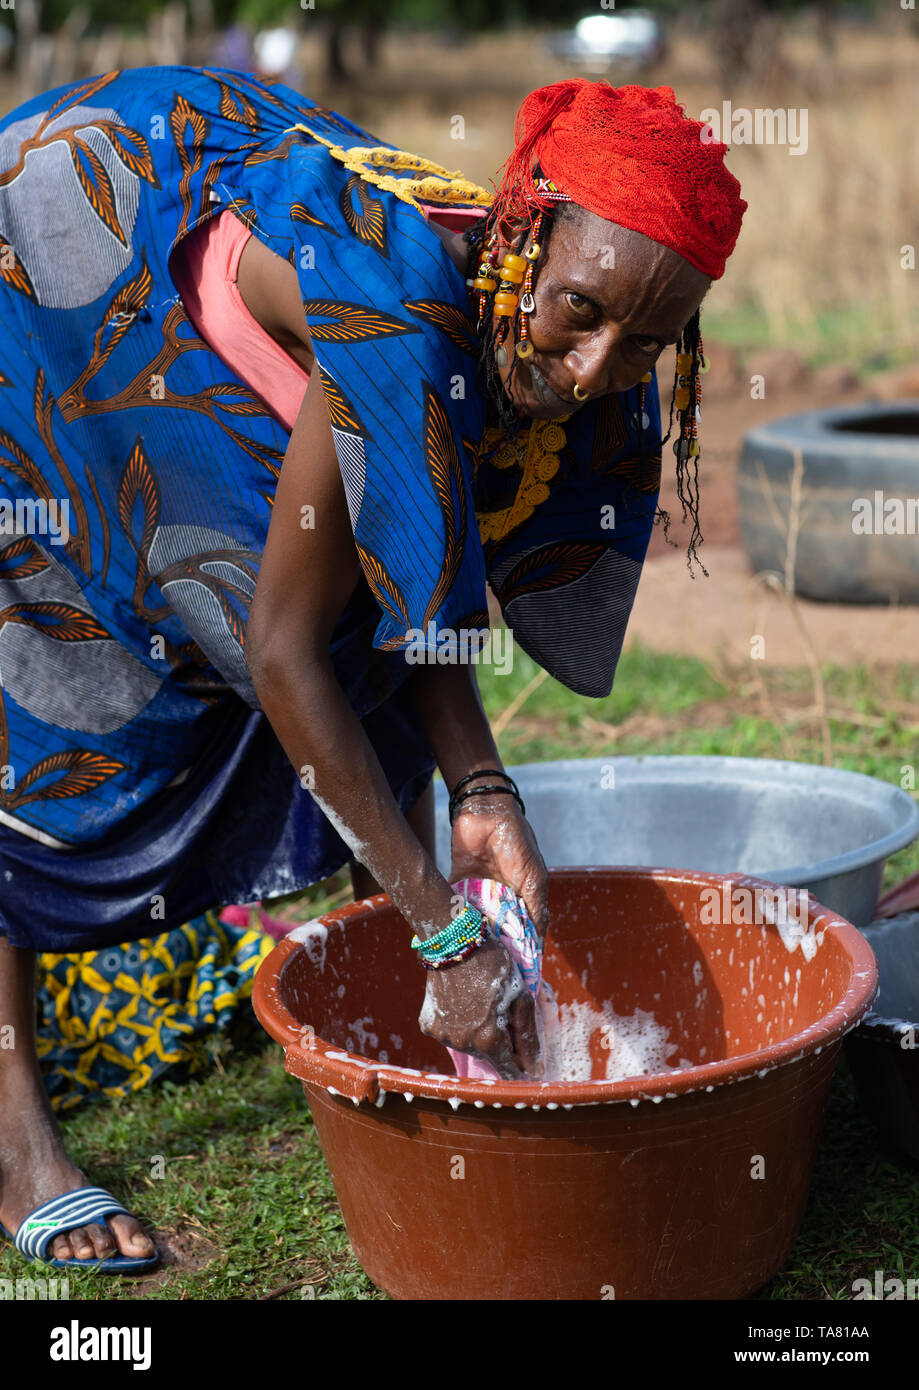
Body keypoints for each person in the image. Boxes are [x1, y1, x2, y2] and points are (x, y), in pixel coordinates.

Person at [0, 69, 746, 1269]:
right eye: (580, 312)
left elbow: (420, 570)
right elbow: (287, 654)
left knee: (369, 690)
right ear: (521, 239)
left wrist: (486, 794)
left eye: (647, 340)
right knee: (49, 694)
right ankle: (16, 1136)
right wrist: (449, 934)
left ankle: (391, 1038)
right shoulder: (399, 317)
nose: (597, 368)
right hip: (70, 251)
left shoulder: (555, 323)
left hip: (270, 313)